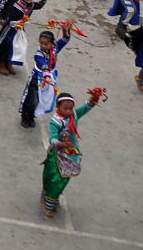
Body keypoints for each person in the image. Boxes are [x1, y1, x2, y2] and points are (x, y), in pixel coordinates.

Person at [40, 89, 103, 218]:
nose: (68, 111)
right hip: (58, 155)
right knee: (57, 180)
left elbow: (84, 109)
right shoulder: (55, 121)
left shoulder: (73, 115)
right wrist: (60, 144)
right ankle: (48, 203)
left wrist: (93, 99)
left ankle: (50, 198)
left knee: (63, 180)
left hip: (71, 154)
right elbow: (52, 138)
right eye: (65, 109)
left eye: (70, 108)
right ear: (58, 107)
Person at [21, 28, 70, 128]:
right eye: (41, 43)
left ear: (52, 43)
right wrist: (47, 76)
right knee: (32, 100)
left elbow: (65, 39)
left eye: (46, 44)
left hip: (48, 79)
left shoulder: (55, 48)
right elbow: (43, 65)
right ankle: (25, 117)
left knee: (40, 100)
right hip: (37, 79)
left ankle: (32, 117)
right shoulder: (38, 54)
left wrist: (66, 29)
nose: (43, 46)